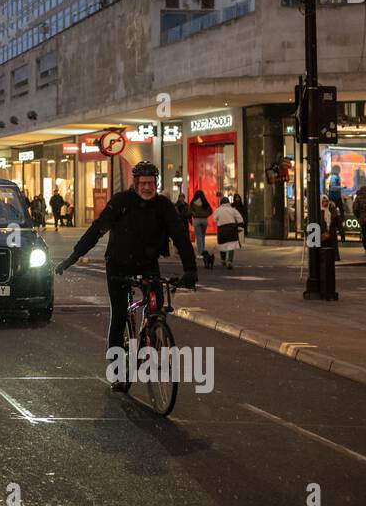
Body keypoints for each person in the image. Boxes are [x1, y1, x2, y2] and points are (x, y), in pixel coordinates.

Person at [55, 161, 197, 391]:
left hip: (147, 263)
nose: (148, 188)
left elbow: (180, 235)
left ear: (156, 183)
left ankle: (151, 335)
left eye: (152, 183)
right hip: (118, 265)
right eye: (143, 183)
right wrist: (72, 258)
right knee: (120, 313)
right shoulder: (121, 202)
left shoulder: (163, 205)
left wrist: (191, 269)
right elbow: (97, 230)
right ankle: (118, 370)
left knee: (156, 306)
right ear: (135, 184)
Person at [212, 195, 245, 269]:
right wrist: (239, 225)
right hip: (232, 228)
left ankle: (223, 260)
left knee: (222, 245)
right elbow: (240, 219)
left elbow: (214, 219)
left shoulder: (218, 210)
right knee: (231, 245)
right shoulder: (232, 210)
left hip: (221, 229)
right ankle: (229, 261)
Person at [188, 190, 212, 266]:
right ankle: (203, 251)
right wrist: (205, 215)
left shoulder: (193, 203)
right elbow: (211, 211)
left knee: (198, 237)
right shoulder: (205, 202)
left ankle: (199, 253)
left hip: (196, 220)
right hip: (204, 220)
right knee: (203, 236)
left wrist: (193, 213)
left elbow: (189, 211)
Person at [320, 195, 340, 262]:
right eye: (323, 201)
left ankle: (334, 257)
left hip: (331, 232)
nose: (325, 203)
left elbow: (338, 221)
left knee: (332, 246)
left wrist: (342, 232)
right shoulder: (319, 211)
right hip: (323, 233)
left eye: (326, 201)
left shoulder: (331, 210)